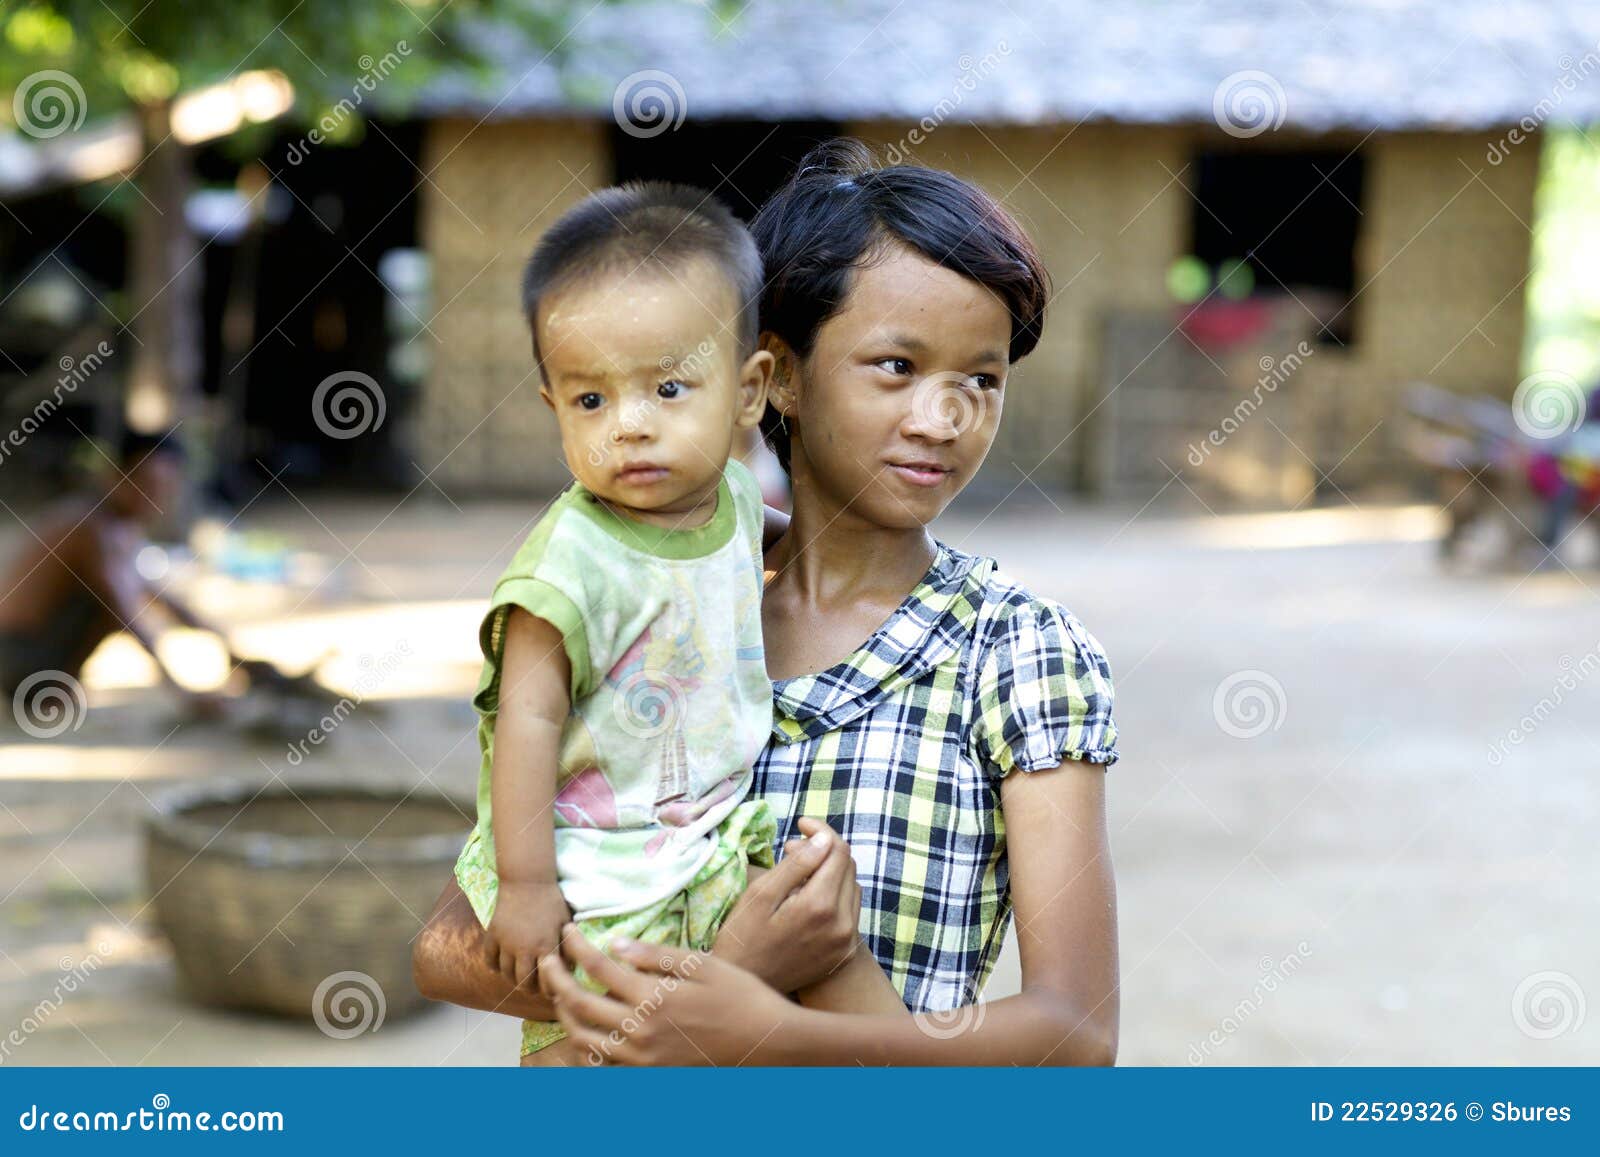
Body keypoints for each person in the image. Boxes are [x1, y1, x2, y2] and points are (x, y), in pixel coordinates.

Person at [414, 140, 1121, 1065]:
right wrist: (729, 971)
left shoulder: (1016, 652)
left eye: (980, 380)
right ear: (776, 376)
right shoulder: (644, 601)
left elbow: (1078, 1036)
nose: (941, 419)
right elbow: (447, 949)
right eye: (896, 366)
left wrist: (770, 1030)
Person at [450, 182, 908, 1064]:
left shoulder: (730, 494)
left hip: (710, 834)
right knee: (587, 1049)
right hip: (602, 865)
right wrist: (528, 885)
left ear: (749, 392)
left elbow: (756, 542)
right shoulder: (568, 567)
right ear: (553, 405)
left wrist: (851, 551)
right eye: (590, 400)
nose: (629, 426)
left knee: (829, 944)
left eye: (667, 388)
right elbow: (524, 720)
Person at [0, 430, 235, 719]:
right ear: (116, 477)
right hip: (18, 661)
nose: (152, 498)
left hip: (30, 656)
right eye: (145, 485)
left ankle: (53, 689)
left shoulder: (120, 527)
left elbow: (161, 597)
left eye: (163, 488)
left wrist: (230, 649)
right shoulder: (89, 528)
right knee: (107, 601)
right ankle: (47, 694)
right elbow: (121, 611)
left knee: (123, 589)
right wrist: (182, 692)